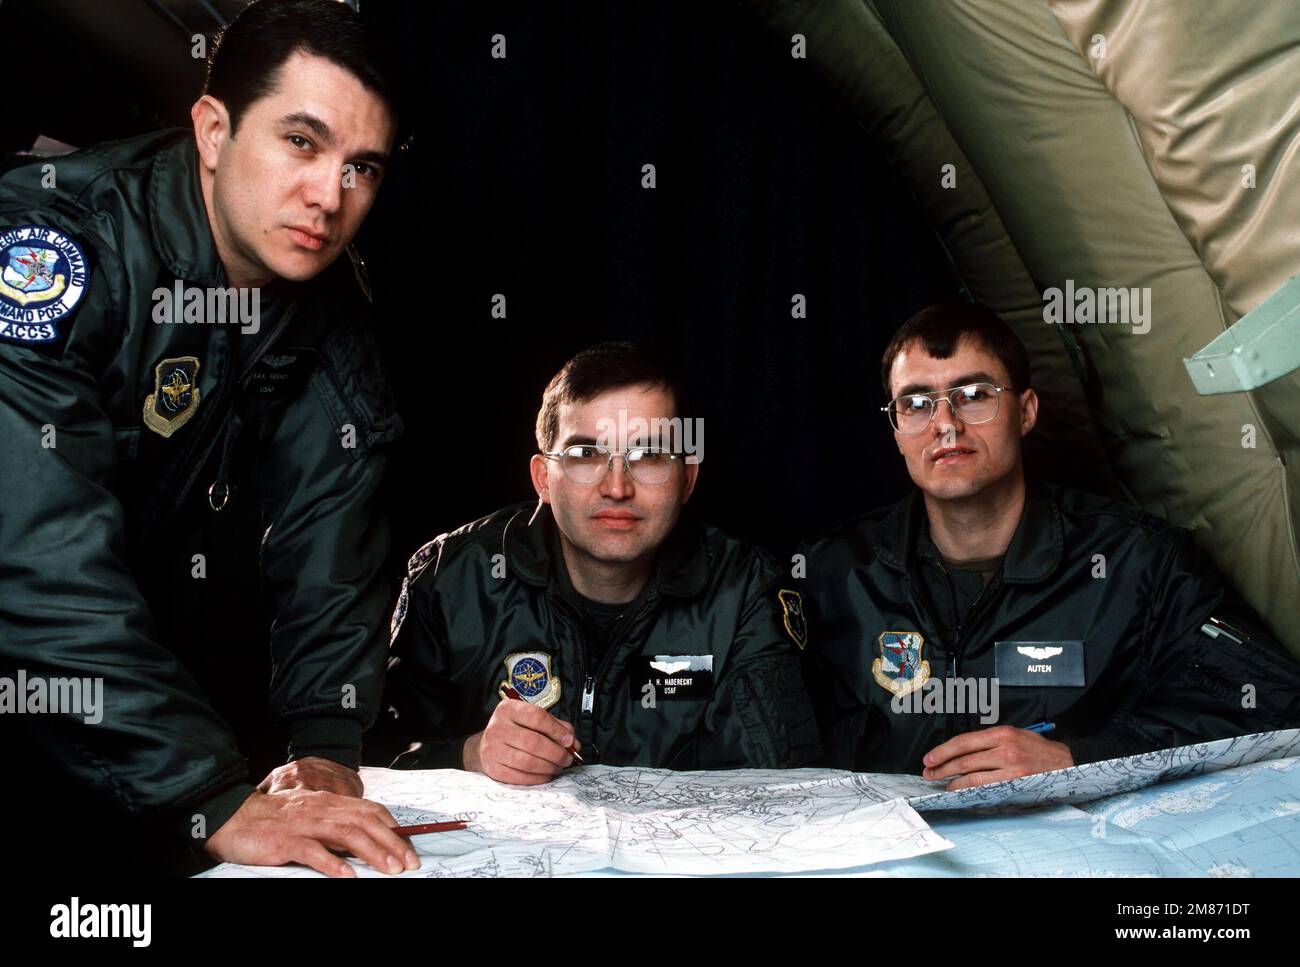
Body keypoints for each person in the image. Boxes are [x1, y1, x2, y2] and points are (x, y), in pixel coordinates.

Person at [0, 0, 418, 876]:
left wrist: (328, 745)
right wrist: (208, 796)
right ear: (214, 129)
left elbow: (331, 541)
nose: (329, 197)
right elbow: (33, 552)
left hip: (95, 703)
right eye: (301, 143)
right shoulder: (47, 248)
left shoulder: (327, 304)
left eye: (363, 168)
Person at [802, 303, 1300, 787]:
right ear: (895, 430)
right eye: (915, 403)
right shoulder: (837, 574)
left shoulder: (1136, 563)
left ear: (1025, 412)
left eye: (974, 394)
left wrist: (1081, 759)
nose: (945, 423)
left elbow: (1269, 703)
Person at [375, 342, 821, 782]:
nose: (616, 487)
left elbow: (781, 785)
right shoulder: (452, 578)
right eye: (585, 455)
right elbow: (367, 760)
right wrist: (468, 754)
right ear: (542, 478)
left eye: (647, 456)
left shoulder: (745, 592)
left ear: (687, 478)